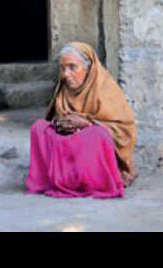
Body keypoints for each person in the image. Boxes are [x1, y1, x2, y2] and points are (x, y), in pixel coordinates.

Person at [26, 41, 137, 199]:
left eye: (72, 67)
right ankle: (54, 180)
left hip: (89, 145)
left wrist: (88, 123)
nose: (66, 74)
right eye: (63, 68)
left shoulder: (106, 89)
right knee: (39, 127)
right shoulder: (64, 90)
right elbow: (54, 118)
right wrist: (61, 123)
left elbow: (123, 130)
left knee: (96, 135)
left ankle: (91, 182)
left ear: (89, 68)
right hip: (68, 144)